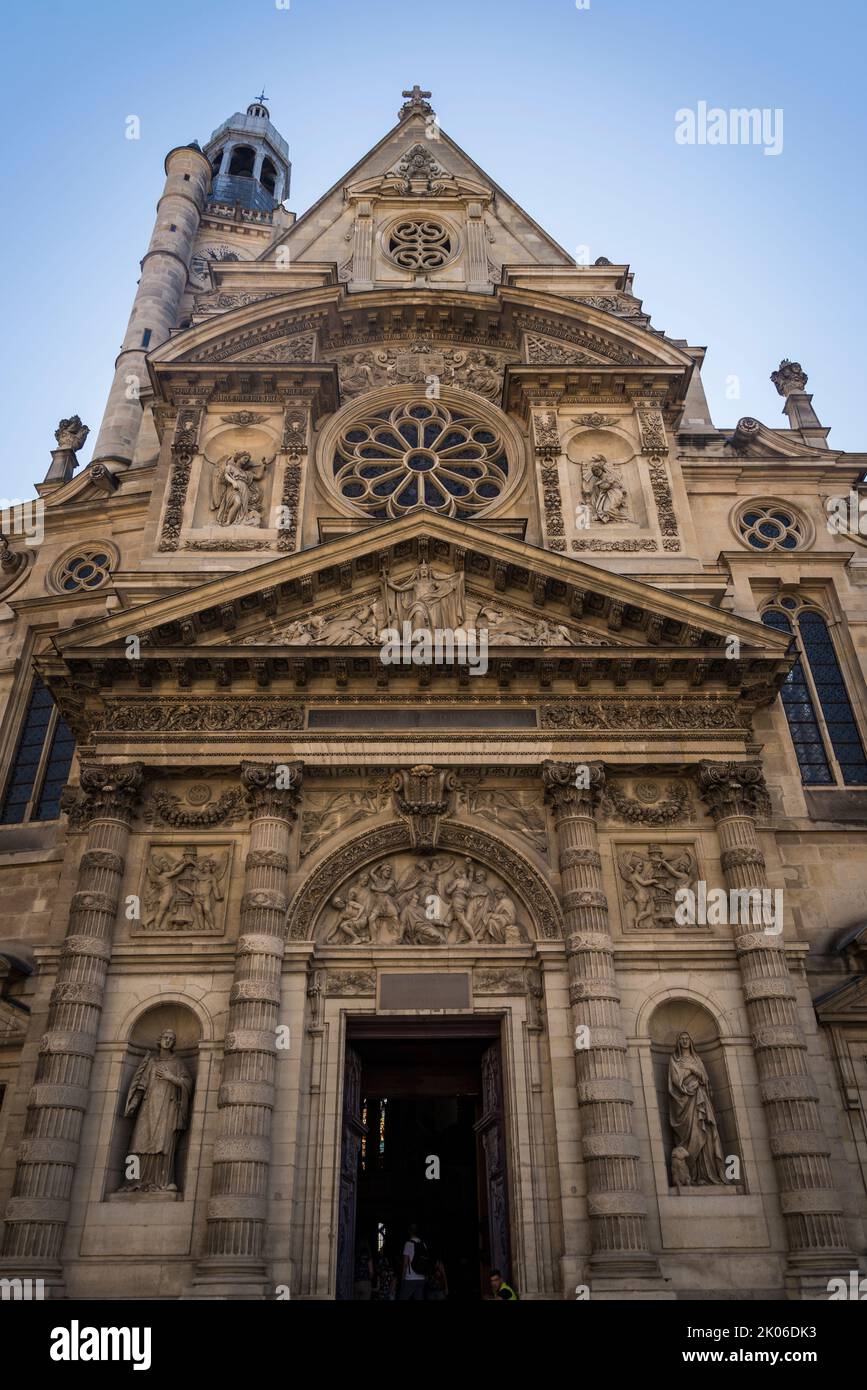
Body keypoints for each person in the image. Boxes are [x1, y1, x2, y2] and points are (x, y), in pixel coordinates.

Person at [399, 1223, 428, 1300]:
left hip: (410, 1279)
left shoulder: (408, 1244)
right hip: (422, 1278)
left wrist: (402, 1279)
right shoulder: (423, 1244)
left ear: (409, 1232)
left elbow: (405, 1264)